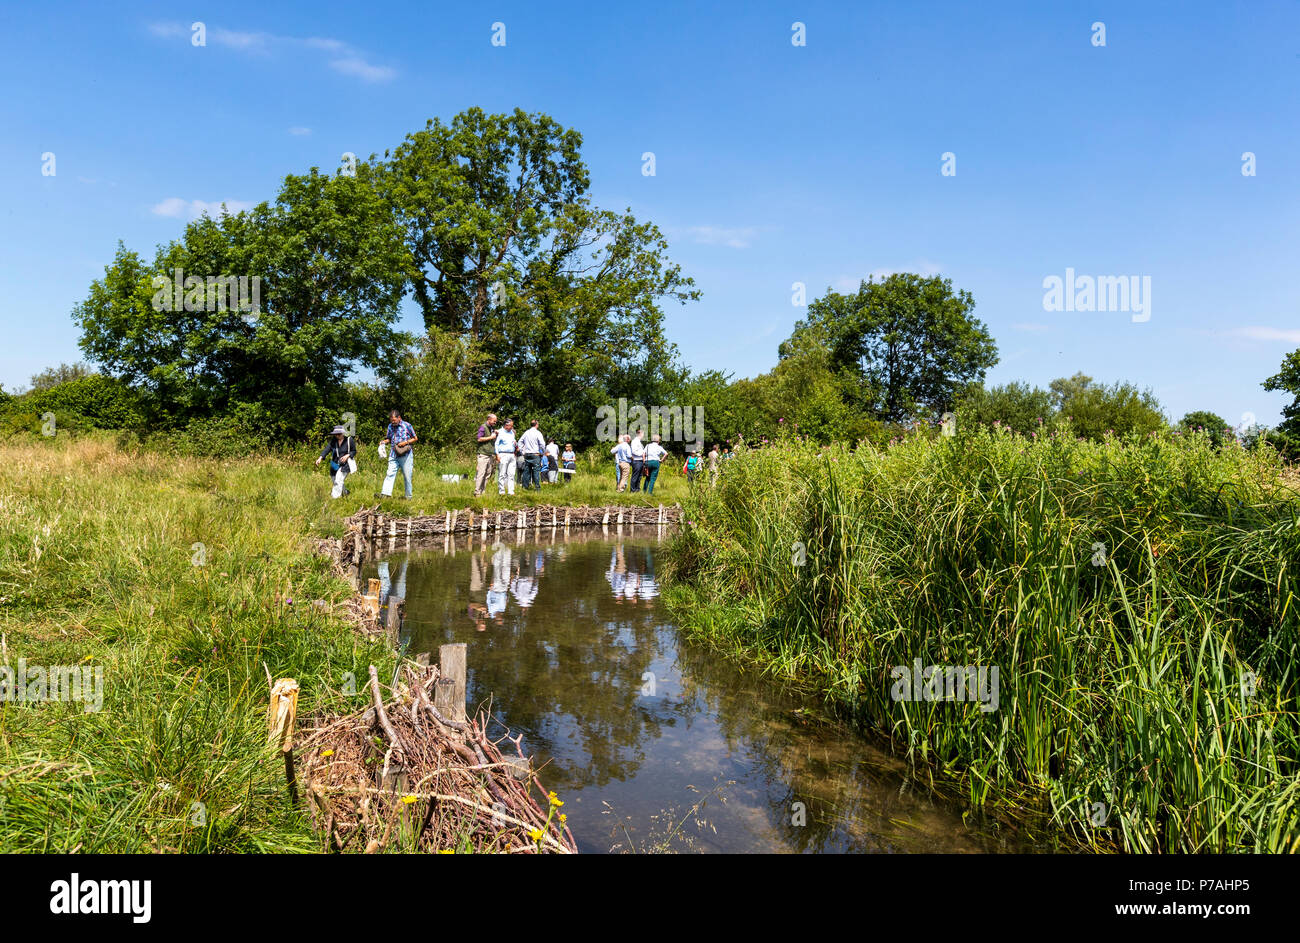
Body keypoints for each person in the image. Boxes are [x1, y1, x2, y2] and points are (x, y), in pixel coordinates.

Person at [380, 410, 417, 498]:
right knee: (390, 473)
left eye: (394, 420)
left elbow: (415, 438)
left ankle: (408, 497)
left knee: (407, 477)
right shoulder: (390, 426)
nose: (393, 422)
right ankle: (385, 494)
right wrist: (383, 442)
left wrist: (405, 442)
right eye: (391, 421)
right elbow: (389, 438)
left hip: (406, 455)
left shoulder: (407, 425)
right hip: (393, 454)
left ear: (399, 418)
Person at [315, 425, 357, 499]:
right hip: (335, 464)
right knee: (335, 480)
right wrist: (320, 458)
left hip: (345, 464)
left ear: (343, 433)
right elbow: (327, 449)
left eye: (339, 434)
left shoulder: (349, 440)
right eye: (336, 434)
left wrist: (347, 455)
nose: (337, 436)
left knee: (339, 479)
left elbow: (354, 451)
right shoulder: (333, 441)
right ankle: (345, 492)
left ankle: (334, 498)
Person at [473, 413, 498, 497]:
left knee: (487, 474)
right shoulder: (483, 427)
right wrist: (491, 437)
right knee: (481, 473)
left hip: (490, 455)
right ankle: (477, 492)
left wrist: (495, 433)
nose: (495, 423)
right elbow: (479, 438)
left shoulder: (491, 428)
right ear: (489, 419)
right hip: (483, 454)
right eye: (494, 421)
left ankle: (482, 491)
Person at [518, 419, 546, 490]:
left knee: (526, 471)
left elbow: (520, 442)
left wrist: (522, 452)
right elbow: (542, 444)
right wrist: (542, 452)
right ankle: (537, 488)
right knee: (536, 471)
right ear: (536, 425)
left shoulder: (526, 432)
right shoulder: (538, 433)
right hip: (535, 454)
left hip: (527, 454)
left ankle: (525, 487)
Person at [495, 419, 518, 496]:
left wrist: (515, 445)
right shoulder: (500, 432)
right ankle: (501, 491)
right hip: (503, 454)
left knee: (511, 474)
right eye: (511, 425)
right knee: (502, 474)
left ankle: (511, 491)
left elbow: (513, 441)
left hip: (512, 454)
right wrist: (497, 454)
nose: (512, 427)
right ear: (506, 425)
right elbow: (496, 444)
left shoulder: (512, 432)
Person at [629, 429, 646, 493]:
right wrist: (642, 454)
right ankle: (632, 490)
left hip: (640, 461)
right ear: (640, 434)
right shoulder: (635, 441)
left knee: (639, 476)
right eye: (643, 434)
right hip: (636, 461)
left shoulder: (639, 442)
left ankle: (637, 489)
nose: (643, 436)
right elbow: (633, 451)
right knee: (635, 476)